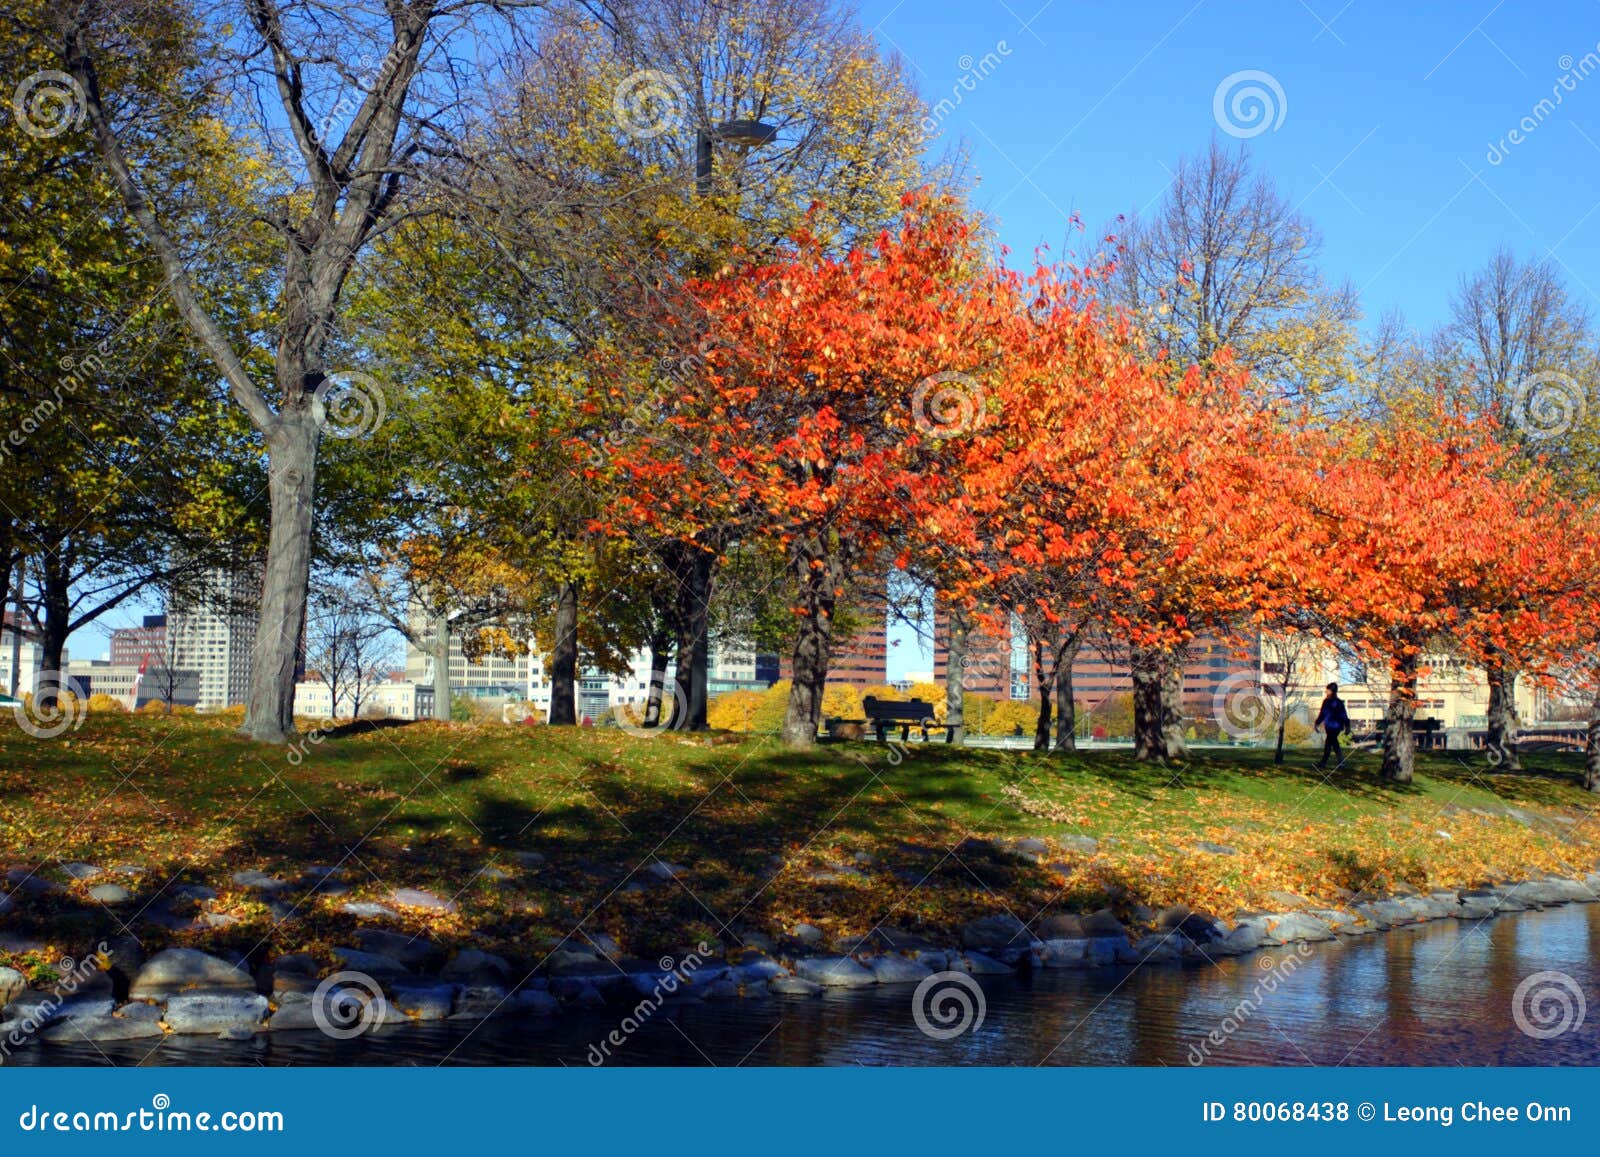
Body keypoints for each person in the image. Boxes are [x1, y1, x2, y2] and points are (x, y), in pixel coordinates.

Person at [1314, 682, 1351, 770]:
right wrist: (1317, 722)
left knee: (1331, 743)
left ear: (1331, 691)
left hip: (1334, 726)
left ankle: (1335, 763)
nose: (1326, 692)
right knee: (1331, 743)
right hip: (1332, 726)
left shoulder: (1331, 702)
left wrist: (1317, 723)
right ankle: (1333, 762)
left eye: (1327, 690)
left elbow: (1342, 715)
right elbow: (1323, 714)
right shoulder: (1335, 702)